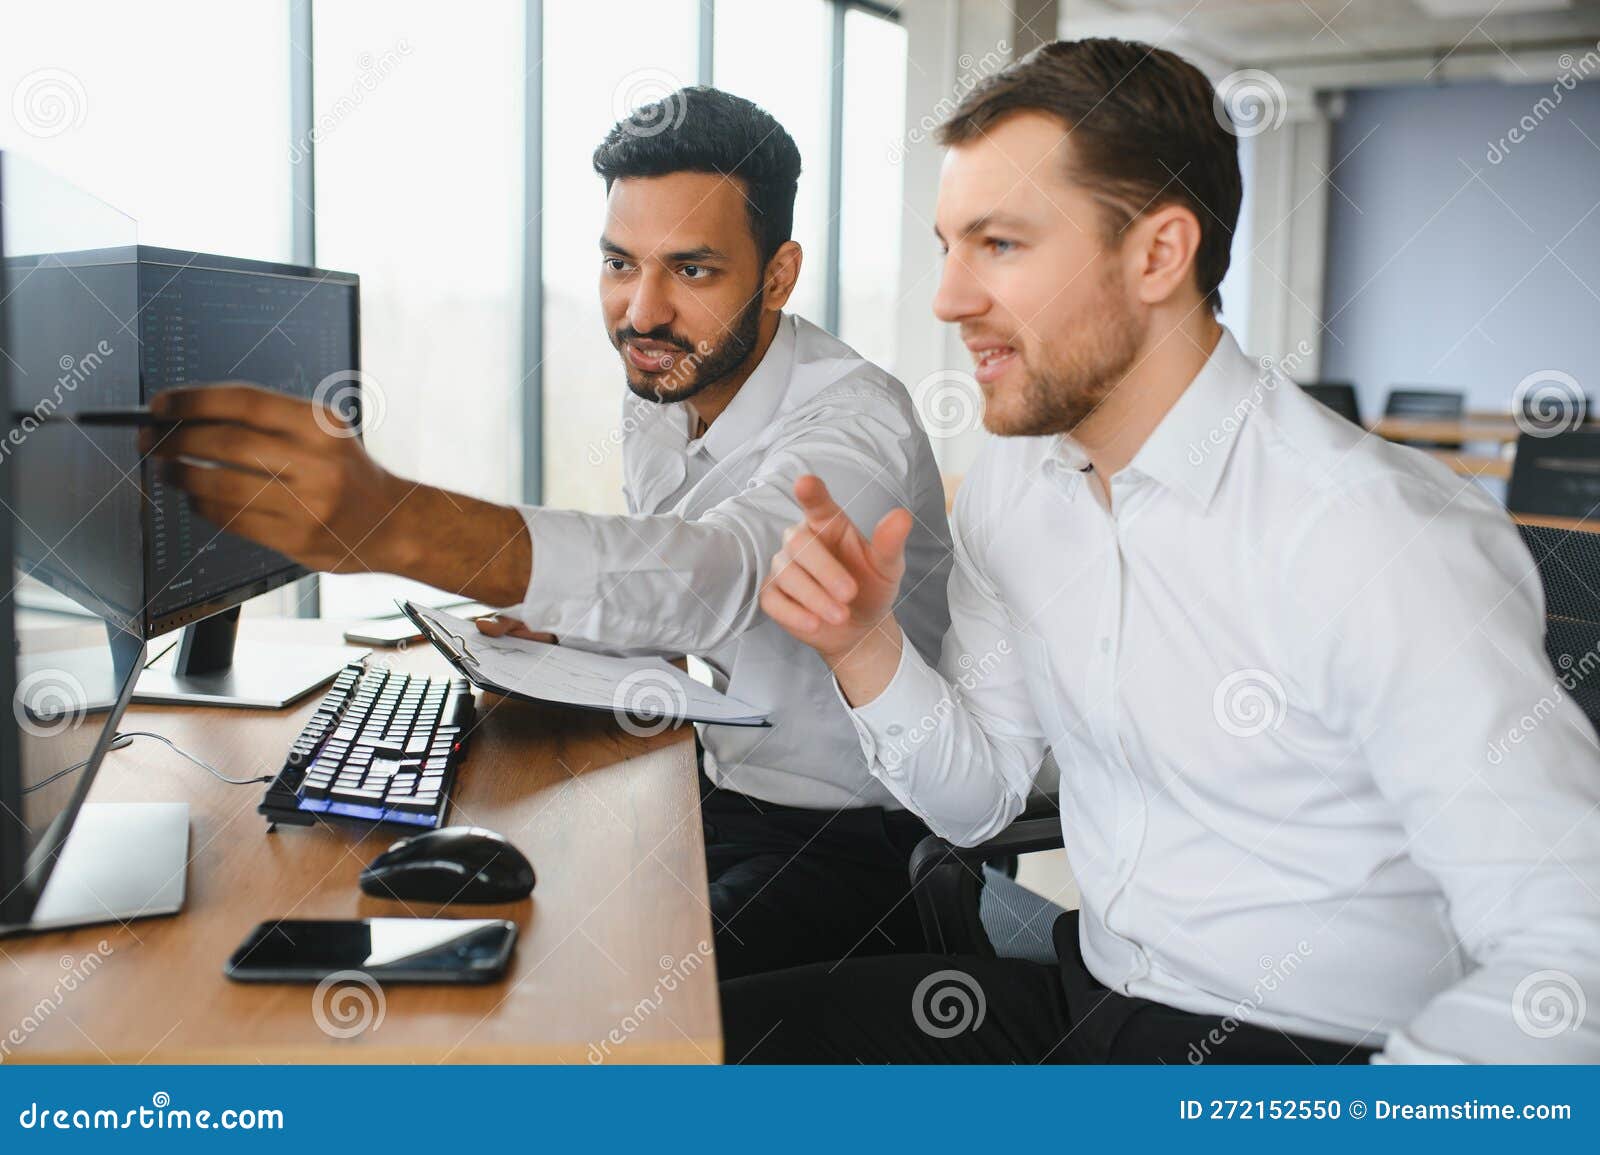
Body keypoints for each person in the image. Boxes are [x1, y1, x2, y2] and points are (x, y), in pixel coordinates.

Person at [734, 38, 1600, 1063]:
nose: (950, 297)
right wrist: (862, 645)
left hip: (1304, 1059)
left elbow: (1571, 953)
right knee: (690, 1048)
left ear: (1157, 255)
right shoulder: (1016, 482)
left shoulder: (1375, 536)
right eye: (948, 246)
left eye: (1000, 244)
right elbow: (978, 803)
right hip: (1093, 998)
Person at [143, 87, 953, 980]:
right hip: (714, 786)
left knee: (582, 985)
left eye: (691, 270)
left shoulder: (855, 426)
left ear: (778, 275)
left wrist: (394, 524)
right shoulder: (666, 384)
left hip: (852, 843)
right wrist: (566, 629)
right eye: (619, 263)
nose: (641, 312)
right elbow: (665, 604)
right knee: (490, 908)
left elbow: (721, 574)